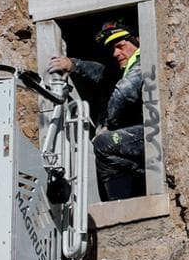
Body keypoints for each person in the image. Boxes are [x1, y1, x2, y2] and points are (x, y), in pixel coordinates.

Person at [49, 20, 152, 201]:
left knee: (104, 143)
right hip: (139, 139)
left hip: (150, 136)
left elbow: (122, 94)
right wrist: (73, 64)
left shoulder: (143, 61)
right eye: (113, 48)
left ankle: (117, 205)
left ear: (138, 41)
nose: (115, 53)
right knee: (108, 150)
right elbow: (103, 74)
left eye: (120, 46)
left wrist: (107, 125)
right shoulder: (126, 67)